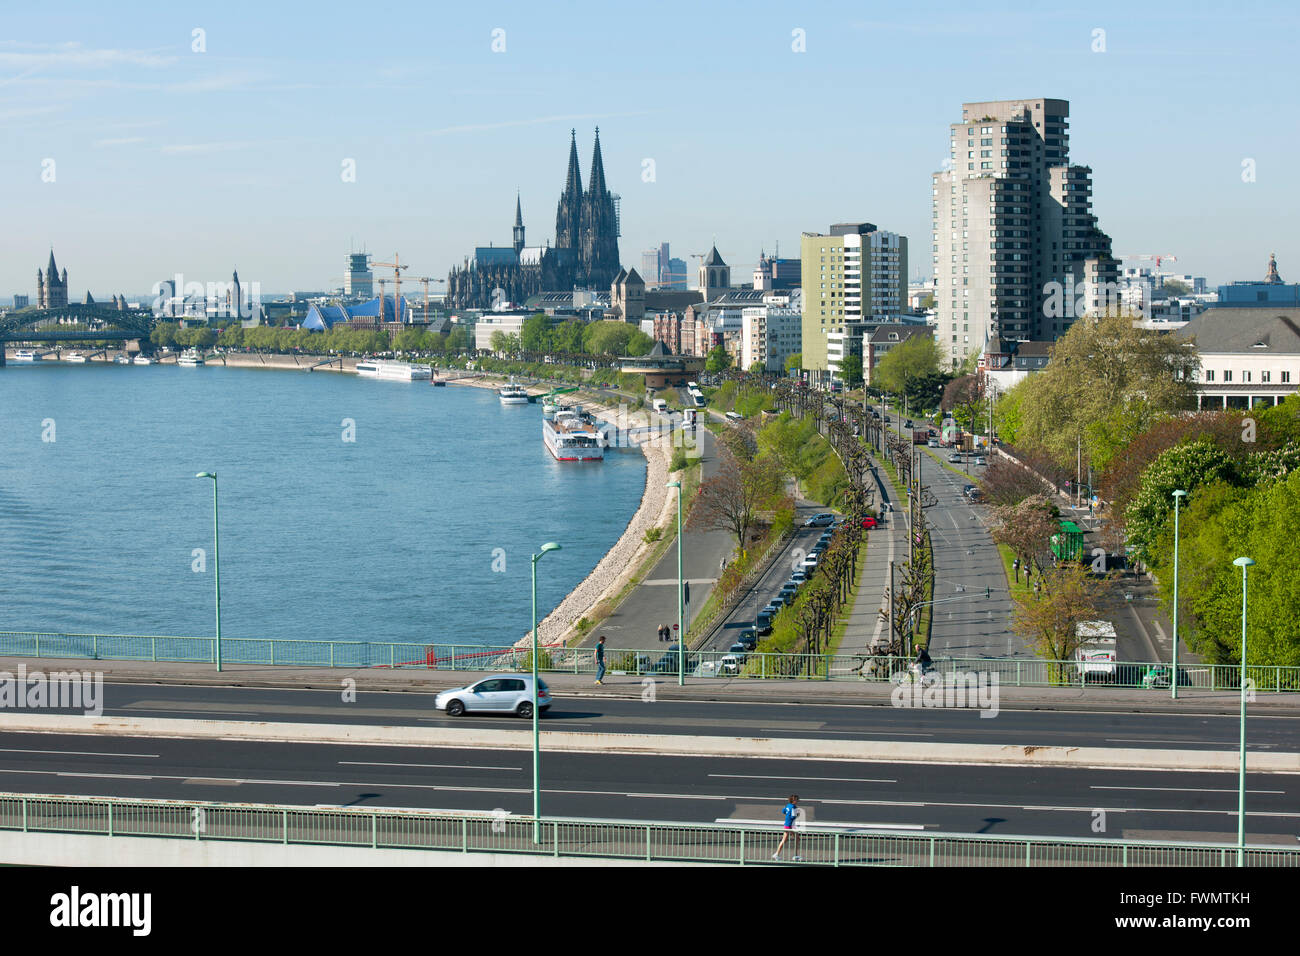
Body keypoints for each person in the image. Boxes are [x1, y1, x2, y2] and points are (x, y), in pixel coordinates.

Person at [773, 794, 802, 861]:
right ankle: (794, 855)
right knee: (793, 839)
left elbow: (783, 811)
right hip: (790, 826)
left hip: (787, 824)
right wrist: (798, 814)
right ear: (794, 800)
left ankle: (795, 855)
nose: (797, 801)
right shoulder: (794, 807)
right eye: (797, 800)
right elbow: (793, 817)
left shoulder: (788, 805)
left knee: (793, 839)